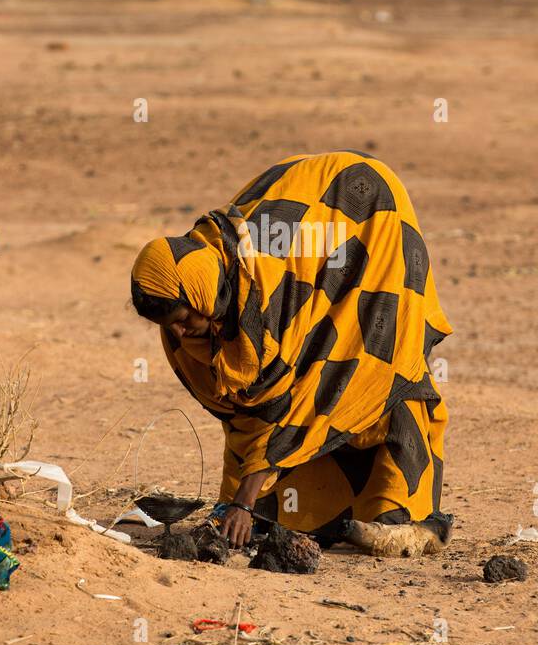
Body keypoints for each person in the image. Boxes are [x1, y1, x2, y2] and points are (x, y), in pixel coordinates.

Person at [129, 151, 454, 557]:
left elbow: (298, 401)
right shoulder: (194, 292)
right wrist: (238, 503)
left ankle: (407, 521)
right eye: (167, 325)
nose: (177, 333)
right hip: (312, 236)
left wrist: (242, 502)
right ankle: (285, 512)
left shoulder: (268, 296)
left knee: (369, 370)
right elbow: (248, 406)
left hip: (369, 220)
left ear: (203, 296)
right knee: (286, 391)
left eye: (182, 320)